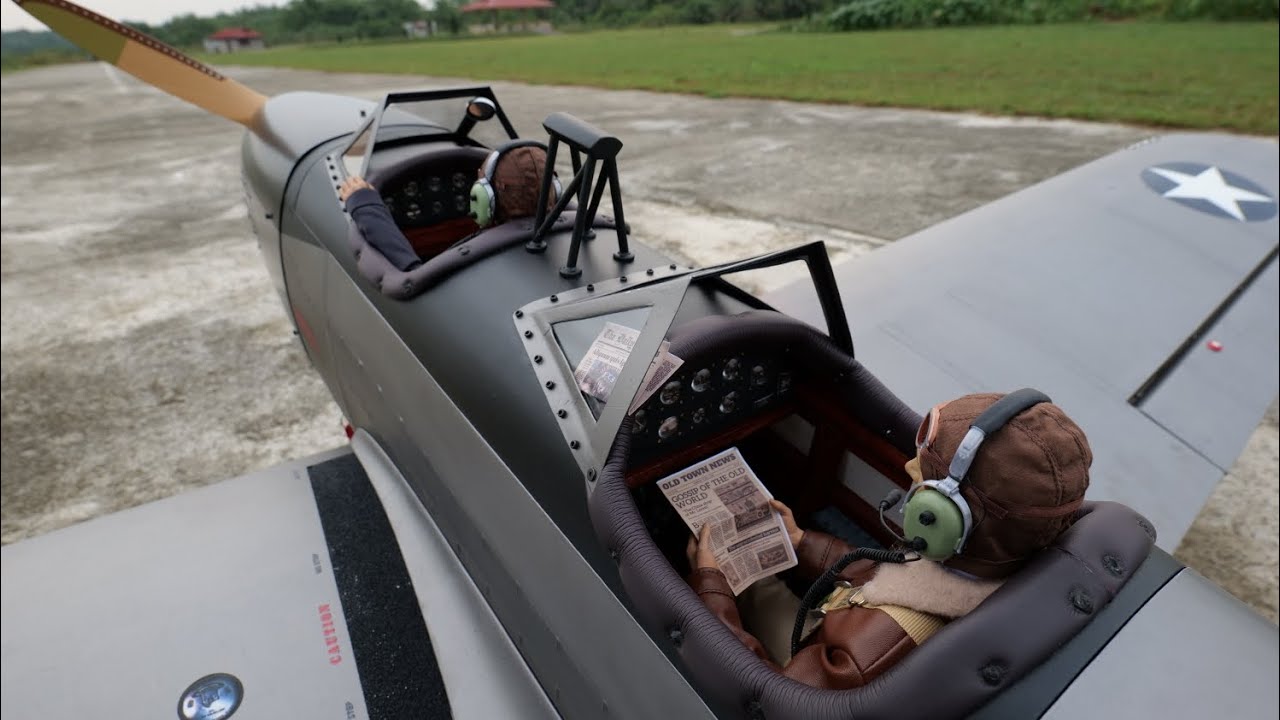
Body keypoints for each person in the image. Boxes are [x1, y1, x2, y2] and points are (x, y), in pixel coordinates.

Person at [685, 392, 1092, 690]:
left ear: (946, 519)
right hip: (846, 626)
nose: (908, 465)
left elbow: (772, 698)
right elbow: (892, 577)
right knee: (758, 582)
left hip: (812, 667)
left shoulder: (868, 654)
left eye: (924, 472)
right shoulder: (977, 561)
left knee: (736, 588)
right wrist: (801, 541)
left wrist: (709, 587)